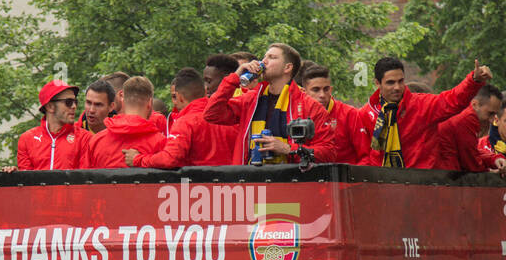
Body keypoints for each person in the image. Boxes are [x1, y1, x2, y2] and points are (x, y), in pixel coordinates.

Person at [203, 43, 337, 165]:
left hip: (291, 184)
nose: (263, 61)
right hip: (251, 182)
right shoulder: (250, 99)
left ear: (287, 67)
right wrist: (235, 77)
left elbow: (329, 153)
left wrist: (288, 149)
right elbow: (212, 114)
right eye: (264, 57)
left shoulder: (310, 106)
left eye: (272, 57)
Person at [358, 57, 491, 168]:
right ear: (377, 83)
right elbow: (364, 156)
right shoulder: (366, 114)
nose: (397, 87)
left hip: (422, 187)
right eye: (390, 83)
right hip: (384, 188)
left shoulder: (422, 105)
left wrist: (474, 80)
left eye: (400, 81)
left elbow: (453, 100)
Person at [128, 68, 238, 168]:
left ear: (179, 97)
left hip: (197, 187)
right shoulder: (231, 116)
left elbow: (169, 159)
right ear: (204, 91)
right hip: (233, 186)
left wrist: (139, 159)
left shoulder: (184, 123)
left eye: (175, 97)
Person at [80, 76, 168, 169]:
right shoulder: (162, 144)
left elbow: (84, 179)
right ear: (150, 103)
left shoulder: (96, 141)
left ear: (122, 98)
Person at [425, 84, 505, 172]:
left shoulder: (464, 113)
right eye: (490, 113)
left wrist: (494, 159)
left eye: (495, 114)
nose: (492, 120)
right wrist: (490, 172)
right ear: (475, 104)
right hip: (445, 176)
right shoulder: (466, 119)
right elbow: (471, 163)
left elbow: (471, 151)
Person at [300, 64, 367, 164]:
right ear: (303, 92)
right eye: (316, 90)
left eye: (326, 89)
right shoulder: (296, 114)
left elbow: (366, 155)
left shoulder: (349, 114)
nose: (322, 95)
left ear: (331, 89)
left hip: (345, 177)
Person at [14, 81, 84, 170]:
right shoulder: (27, 139)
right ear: (50, 107)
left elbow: (84, 179)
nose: (74, 106)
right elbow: (26, 179)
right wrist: (13, 175)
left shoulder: (84, 138)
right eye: (68, 102)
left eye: (75, 102)